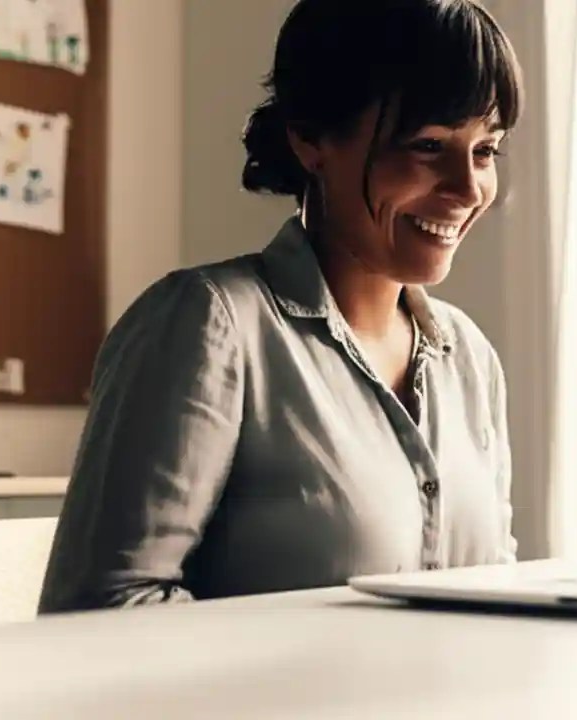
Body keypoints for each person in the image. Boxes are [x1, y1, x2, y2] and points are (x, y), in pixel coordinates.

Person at [38, 0, 523, 613]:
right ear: (311, 139)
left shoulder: (469, 358)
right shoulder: (209, 325)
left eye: (485, 152)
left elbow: (494, 593)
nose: (467, 188)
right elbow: (103, 608)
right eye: (428, 146)